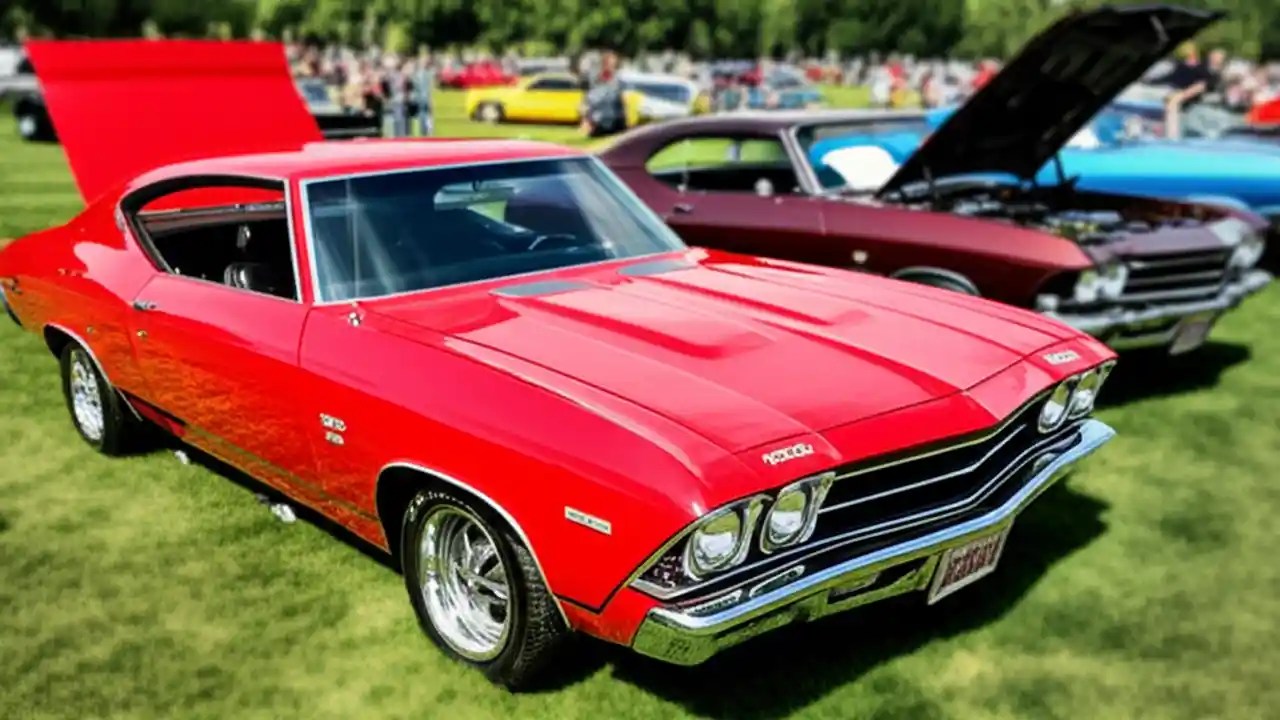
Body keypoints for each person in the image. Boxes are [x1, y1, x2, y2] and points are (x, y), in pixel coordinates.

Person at [1155, 44, 1225, 138]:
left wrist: (1179, 97)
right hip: (1190, 100)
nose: (1215, 59)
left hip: (1196, 104)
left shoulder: (1213, 76)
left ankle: (1171, 134)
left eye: (1217, 57)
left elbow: (1200, 87)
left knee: (1174, 103)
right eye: (1214, 56)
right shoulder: (1201, 69)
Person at [412, 51, 435, 136]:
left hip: (424, 97)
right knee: (423, 114)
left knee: (426, 114)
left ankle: (426, 131)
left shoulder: (424, 73)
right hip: (422, 97)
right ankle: (424, 131)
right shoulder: (421, 74)